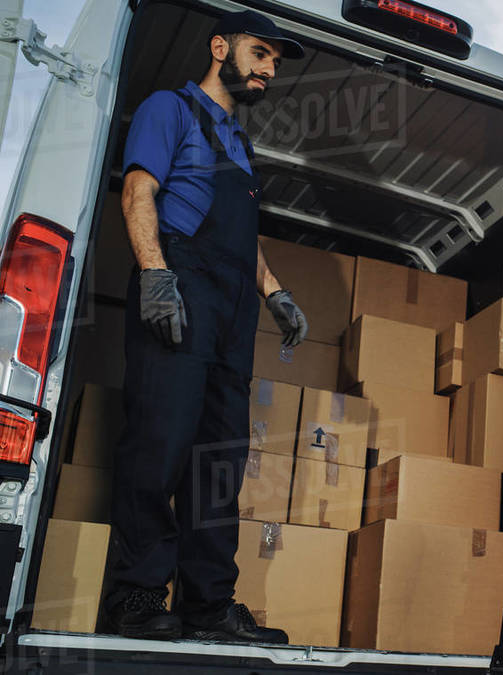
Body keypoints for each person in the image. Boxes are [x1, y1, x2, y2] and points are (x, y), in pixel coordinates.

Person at [103, 10, 309, 642]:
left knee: (219, 460)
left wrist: (275, 294)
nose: (268, 69)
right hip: (181, 286)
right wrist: (155, 276)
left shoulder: (241, 149)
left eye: (274, 61)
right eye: (259, 53)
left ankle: (209, 605)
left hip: (232, 310)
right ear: (220, 47)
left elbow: (242, 241)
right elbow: (139, 193)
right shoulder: (170, 109)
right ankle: (136, 597)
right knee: (161, 443)